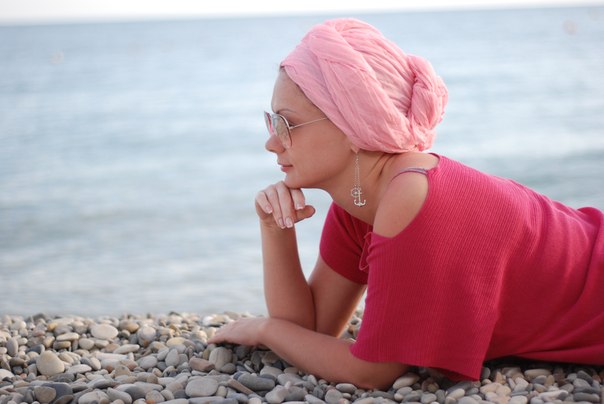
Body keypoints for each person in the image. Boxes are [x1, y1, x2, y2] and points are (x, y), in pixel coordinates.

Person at [208, 18, 604, 389]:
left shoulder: (411, 196)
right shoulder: (361, 199)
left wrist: (265, 329)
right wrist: (274, 228)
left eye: (286, 124)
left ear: (352, 124)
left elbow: (372, 371)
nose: (271, 143)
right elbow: (312, 330)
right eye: (271, 122)